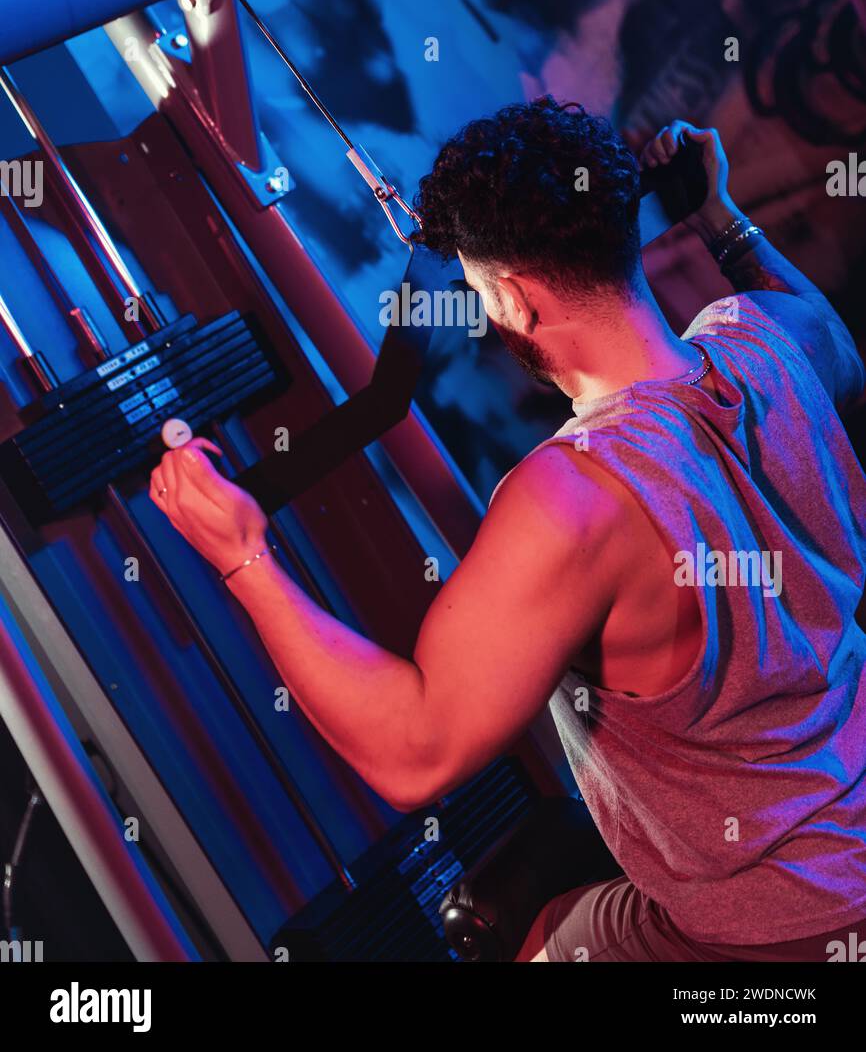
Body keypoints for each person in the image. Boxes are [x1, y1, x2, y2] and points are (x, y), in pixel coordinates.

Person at [150, 100, 866, 962]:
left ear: (517, 302)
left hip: (783, 927)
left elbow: (415, 755)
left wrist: (243, 557)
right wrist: (719, 214)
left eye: (482, 293)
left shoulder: (577, 496)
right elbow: (828, 336)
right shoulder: (773, 337)